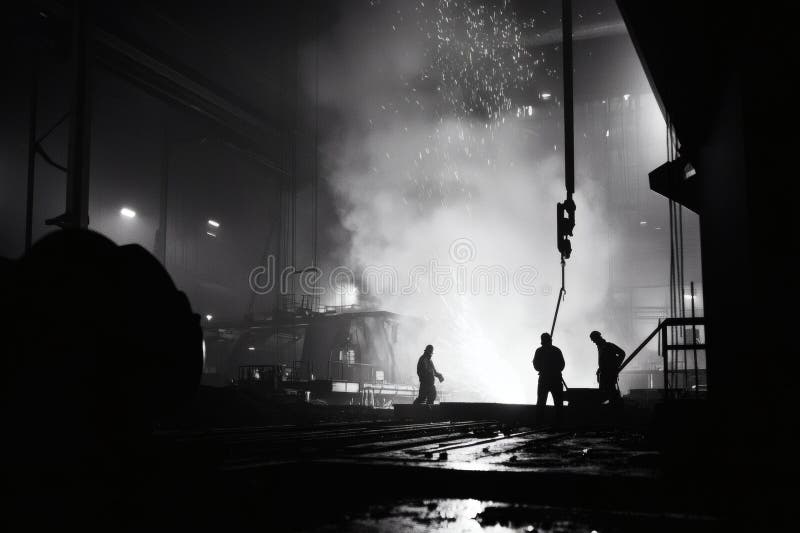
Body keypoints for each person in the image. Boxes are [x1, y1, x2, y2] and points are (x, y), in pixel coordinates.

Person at [532, 333, 565, 422]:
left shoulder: (540, 351)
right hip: (553, 379)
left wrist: (545, 368)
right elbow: (562, 365)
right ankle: (557, 422)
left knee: (544, 402)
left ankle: (540, 422)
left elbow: (536, 366)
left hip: (548, 379)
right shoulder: (555, 350)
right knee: (554, 403)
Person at [590, 330, 625, 404]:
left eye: (594, 340)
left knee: (610, 393)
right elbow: (605, 361)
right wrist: (600, 369)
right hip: (604, 374)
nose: (594, 342)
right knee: (604, 394)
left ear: (597, 338)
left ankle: (614, 409)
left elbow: (622, 353)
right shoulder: (601, 347)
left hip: (609, 374)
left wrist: (616, 366)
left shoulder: (609, 346)